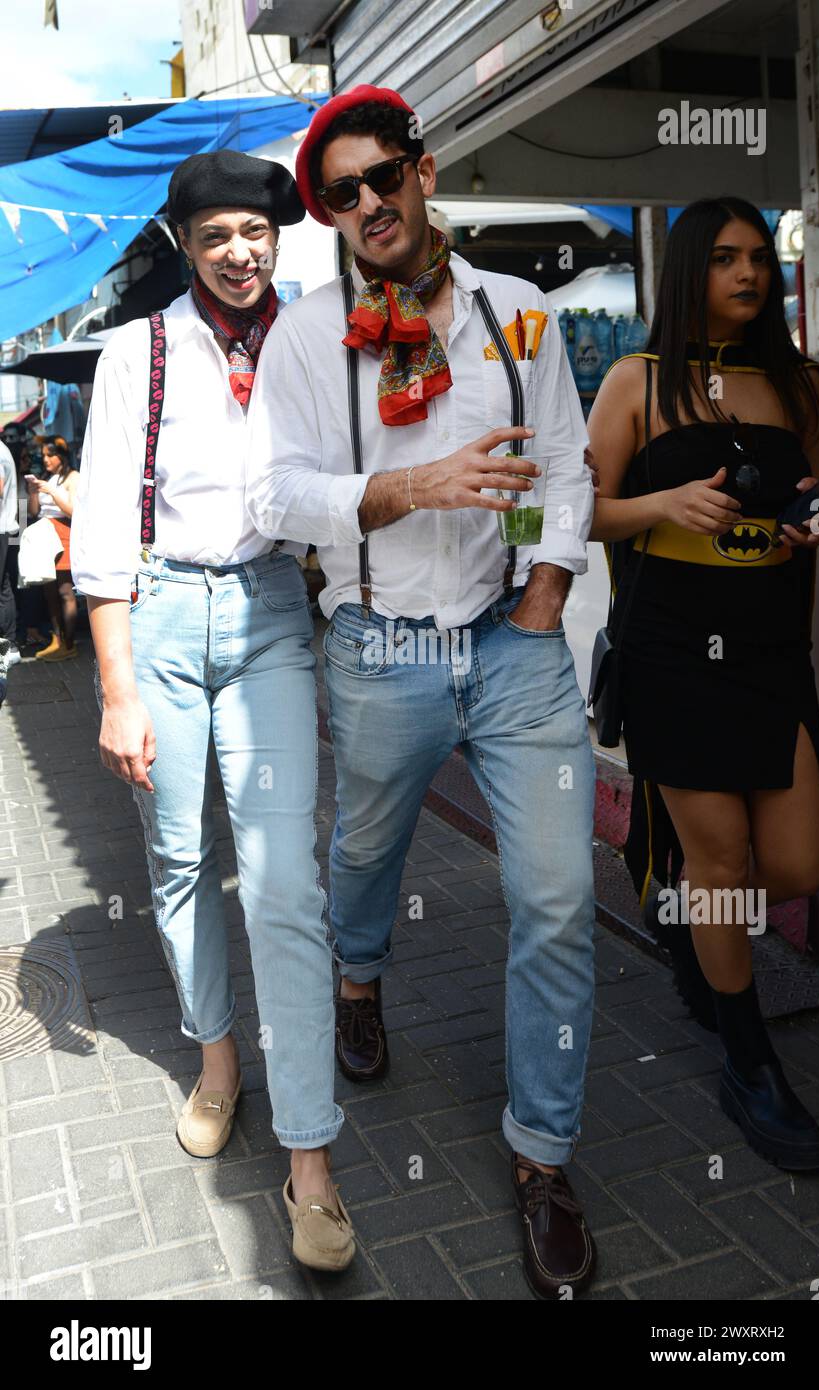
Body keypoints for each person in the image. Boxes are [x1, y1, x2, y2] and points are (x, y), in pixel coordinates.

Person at [246, 84, 598, 1299]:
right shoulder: (303, 337)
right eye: (335, 195)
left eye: (378, 178)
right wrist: (404, 487)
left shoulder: (522, 313)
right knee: (364, 854)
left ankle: (543, 1160)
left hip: (513, 642)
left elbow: (566, 465)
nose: (364, 206)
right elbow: (273, 497)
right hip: (381, 645)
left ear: (423, 170)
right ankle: (356, 972)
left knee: (554, 896)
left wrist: (549, 582)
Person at [71, 149, 356, 1272]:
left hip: (272, 613)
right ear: (187, 248)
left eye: (256, 232)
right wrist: (118, 688)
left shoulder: (317, 341)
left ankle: (311, 1161)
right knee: (181, 857)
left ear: (277, 239)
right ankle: (217, 1059)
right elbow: (100, 528)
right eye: (217, 236)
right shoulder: (134, 352)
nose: (240, 252)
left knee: (285, 881)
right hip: (160, 618)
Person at [588, 196, 819, 1172]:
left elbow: (817, 492)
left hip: (771, 655)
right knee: (723, 863)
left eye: (758, 259)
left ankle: (684, 902)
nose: (748, 275)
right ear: (688, 270)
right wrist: (663, 501)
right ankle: (747, 1059)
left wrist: (806, 519)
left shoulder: (803, 387)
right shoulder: (636, 382)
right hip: (673, 649)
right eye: (725, 258)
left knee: (799, 866)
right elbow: (582, 509)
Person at [26, 435, 78, 660]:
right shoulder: (47, 477)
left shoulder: (73, 477)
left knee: (66, 591)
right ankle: (57, 640)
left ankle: (69, 643)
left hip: (64, 535)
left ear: (61, 455)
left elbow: (74, 511)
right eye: (43, 455)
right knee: (49, 592)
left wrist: (52, 491)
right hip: (45, 536)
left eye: (50, 455)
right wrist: (34, 492)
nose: (45, 460)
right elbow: (34, 512)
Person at [0, 434, 21, 669]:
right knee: (3, 589)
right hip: (5, 528)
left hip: (1, 529)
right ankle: (10, 647)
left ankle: (8, 647)